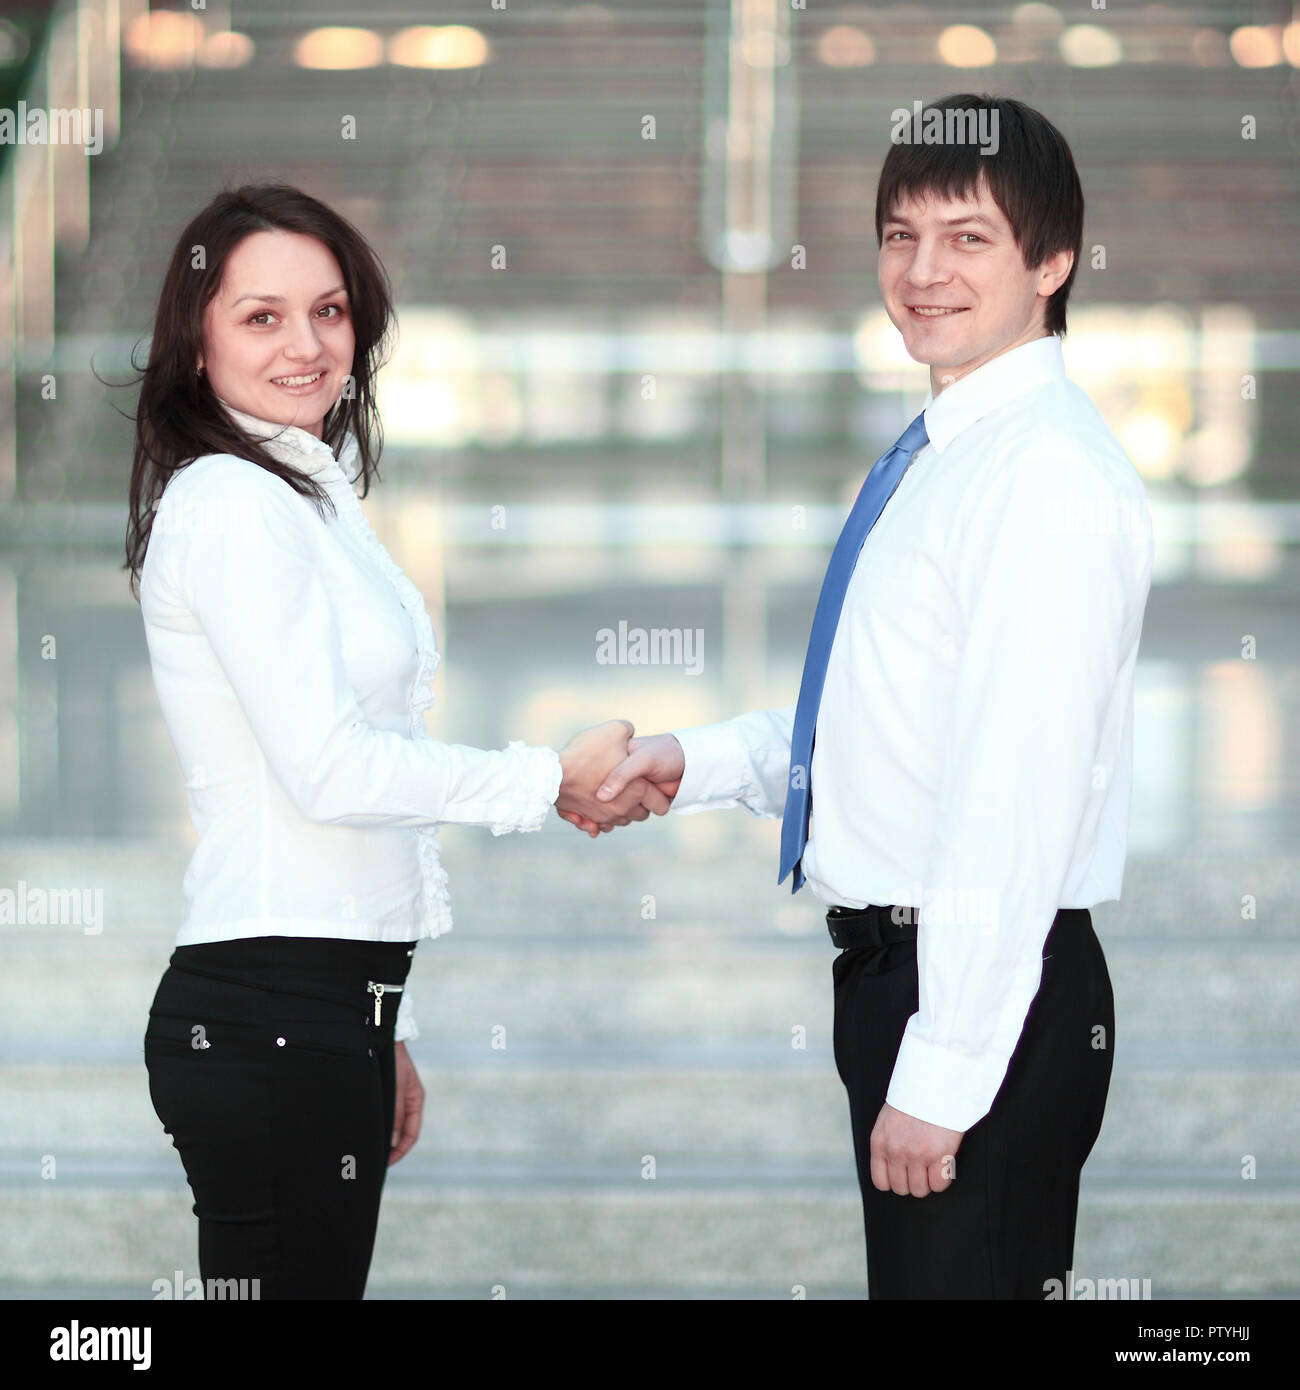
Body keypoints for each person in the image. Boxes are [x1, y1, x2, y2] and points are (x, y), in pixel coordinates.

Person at [578, 94, 1155, 1299]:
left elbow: (1014, 790)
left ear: (1052, 262)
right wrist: (710, 760)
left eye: (967, 237)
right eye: (899, 235)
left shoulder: (1041, 474)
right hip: (916, 973)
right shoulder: (949, 449)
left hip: (980, 985)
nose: (921, 270)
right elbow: (898, 721)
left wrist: (942, 1072)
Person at [125, 183, 670, 1299]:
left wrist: (390, 1020)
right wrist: (542, 778)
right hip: (268, 1009)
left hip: (323, 1008)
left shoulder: (306, 496)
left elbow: (363, 760)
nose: (307, 344)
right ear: (195, 338)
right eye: (261, 316)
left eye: (329, 312)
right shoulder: (232, 502)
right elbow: (330, 768)